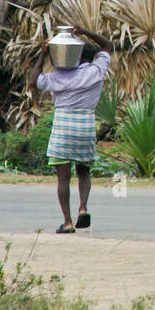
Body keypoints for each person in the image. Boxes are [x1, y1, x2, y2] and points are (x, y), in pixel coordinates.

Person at [29, 24, 113, 233]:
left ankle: (67, 222)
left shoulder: (59, 76)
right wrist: (85, 31)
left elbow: (33, 80)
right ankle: (83, 207)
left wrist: (43, 55)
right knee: (84, 171)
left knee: (63, 177)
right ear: (91, 57)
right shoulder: (97, 70)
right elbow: (108, 45)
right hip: (85, 126)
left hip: (63, 127)